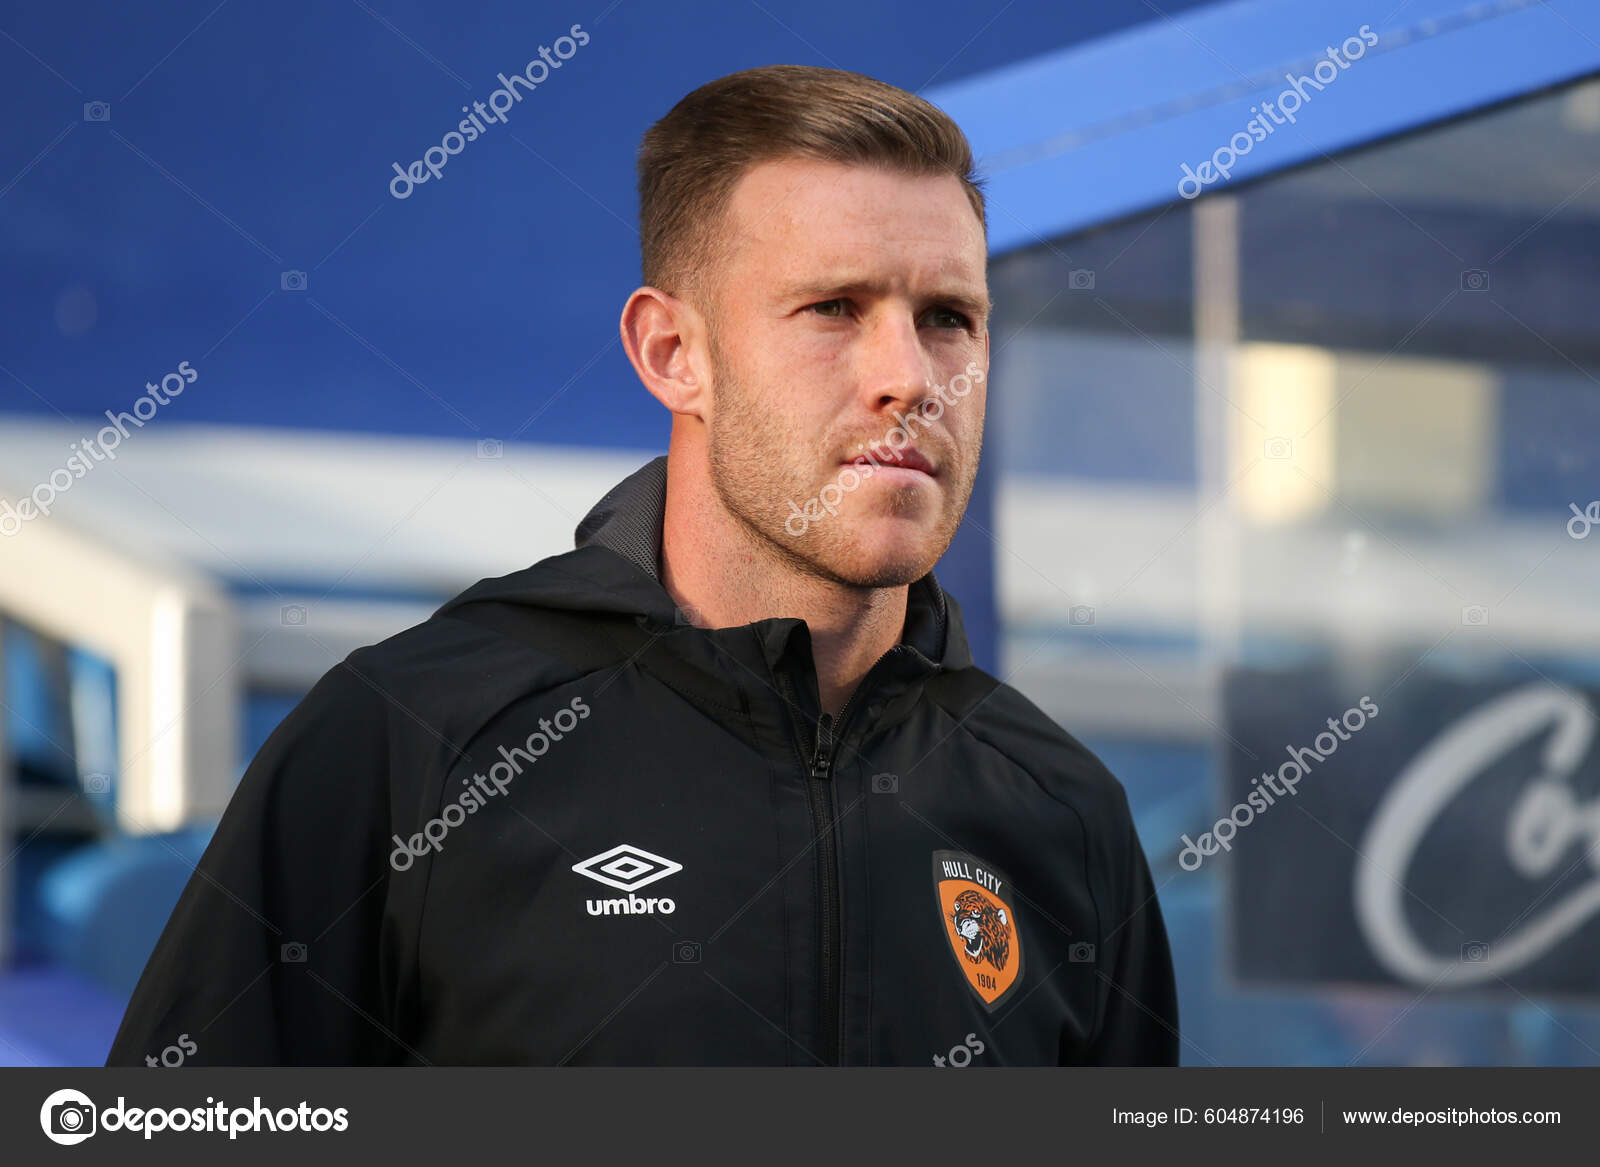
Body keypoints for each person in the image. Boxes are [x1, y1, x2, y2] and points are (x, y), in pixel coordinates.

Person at [106, 64, 1178, 1067]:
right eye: (832, 309)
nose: (909, 376)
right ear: (675, 355)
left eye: (948, 319)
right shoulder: (409, 741)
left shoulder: (1062, 810)